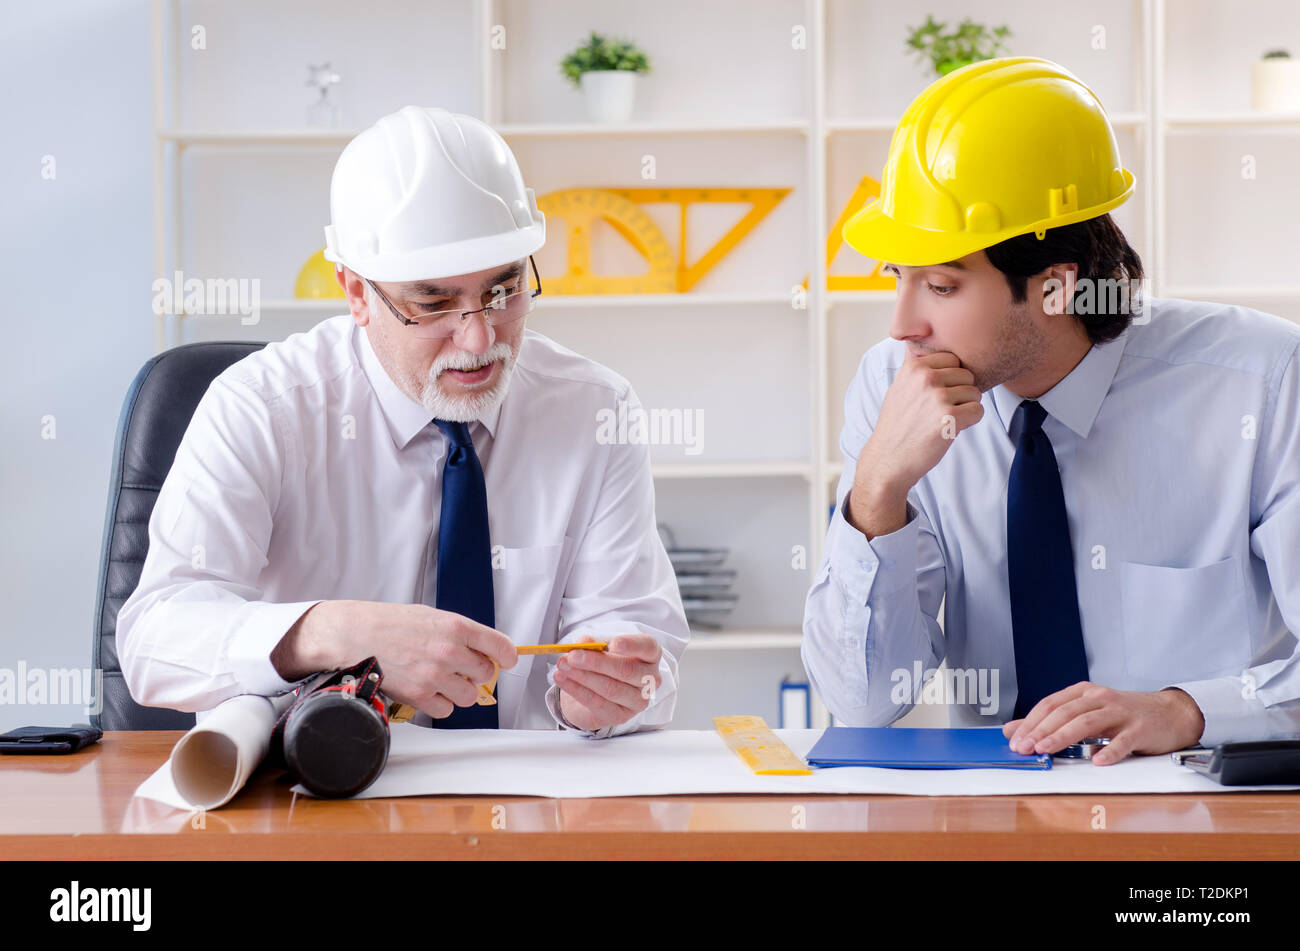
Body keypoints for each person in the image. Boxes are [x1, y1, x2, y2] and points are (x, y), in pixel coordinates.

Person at [117, 105, 689, 737]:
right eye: (433, 302)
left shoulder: (594, 411)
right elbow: (154, 639)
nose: (478, 339)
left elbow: (635, 634)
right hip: (310, 802)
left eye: (503, 292)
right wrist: (333, 632)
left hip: (527, 806)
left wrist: (606, 700)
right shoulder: (262, 407)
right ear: (357, 293)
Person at [802, 57, 1300, 764]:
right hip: (991, 812)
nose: (902, 324)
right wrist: (876, 492)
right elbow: (864, 702)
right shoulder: (893, 385)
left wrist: (1189, 709)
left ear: (1057, 287)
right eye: (898, 278)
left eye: (940, 286)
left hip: (1198, 812)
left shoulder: (1262, 382)